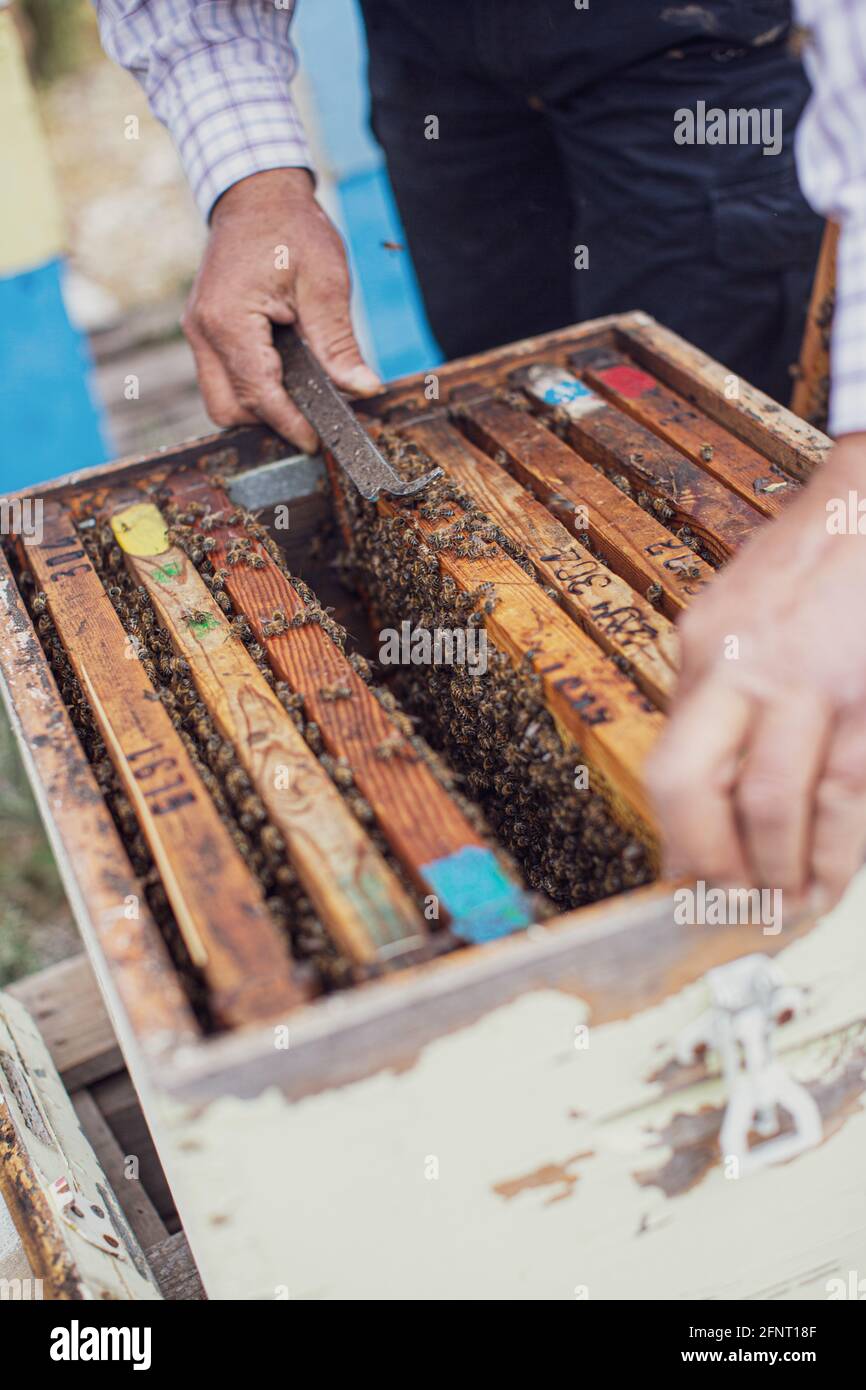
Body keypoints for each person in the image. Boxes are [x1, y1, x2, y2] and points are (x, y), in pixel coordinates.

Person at [93, 1, 866, 921]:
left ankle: (775, 850)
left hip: (702, 50)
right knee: (520, 428)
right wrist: (253, 177)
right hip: (440, 56)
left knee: (743, 535)